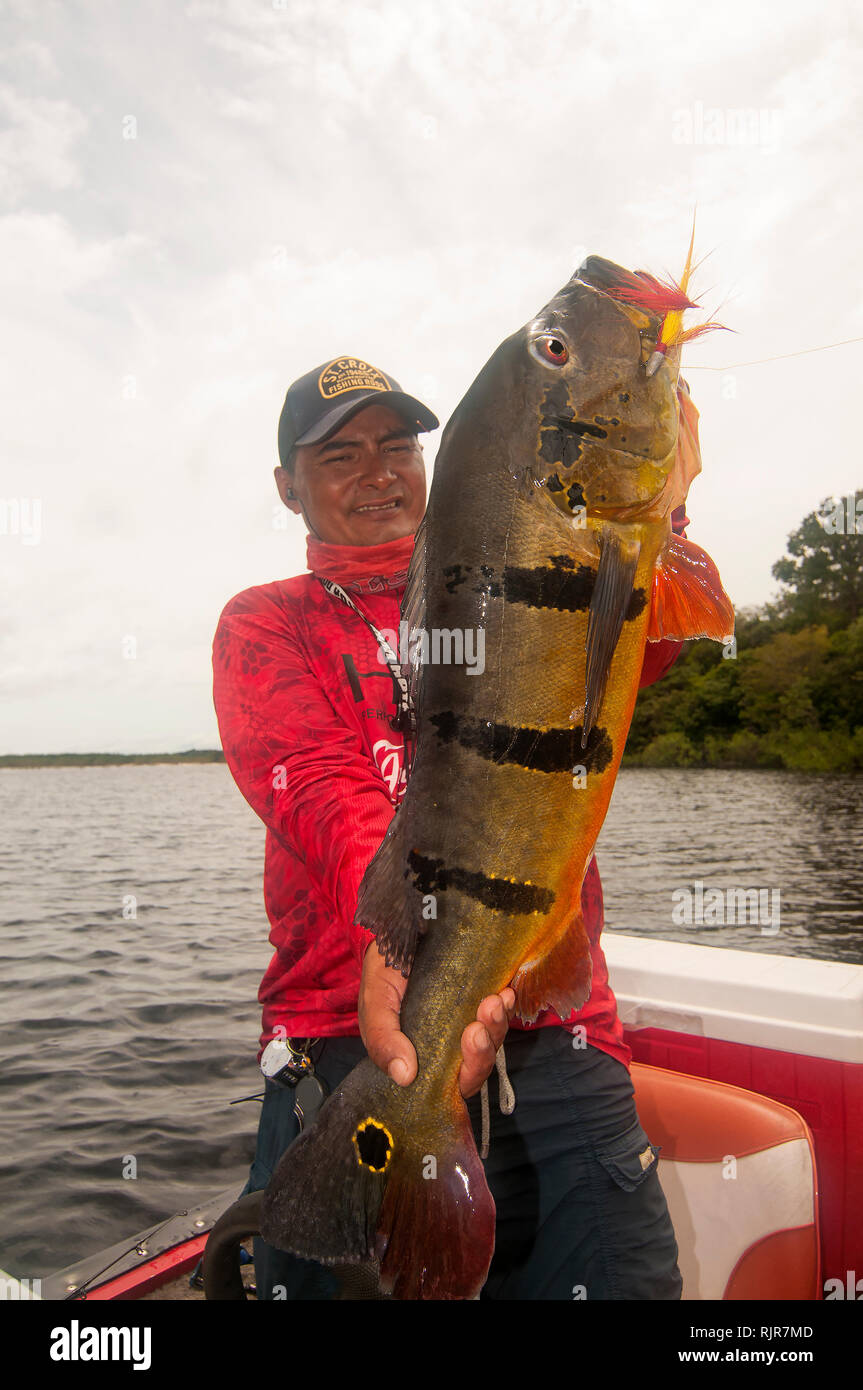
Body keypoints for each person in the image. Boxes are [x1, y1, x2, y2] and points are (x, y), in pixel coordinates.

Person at [212, 355, 687, 1300]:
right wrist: (401, 934)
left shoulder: (535, 565)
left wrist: (660, 503)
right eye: (340, 454)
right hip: (345, 1035)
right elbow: (310, 782)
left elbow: (648, 642)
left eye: (398, 446)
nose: (379, 472)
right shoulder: (266, 624)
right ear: (286, 486)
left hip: (556, 1027)